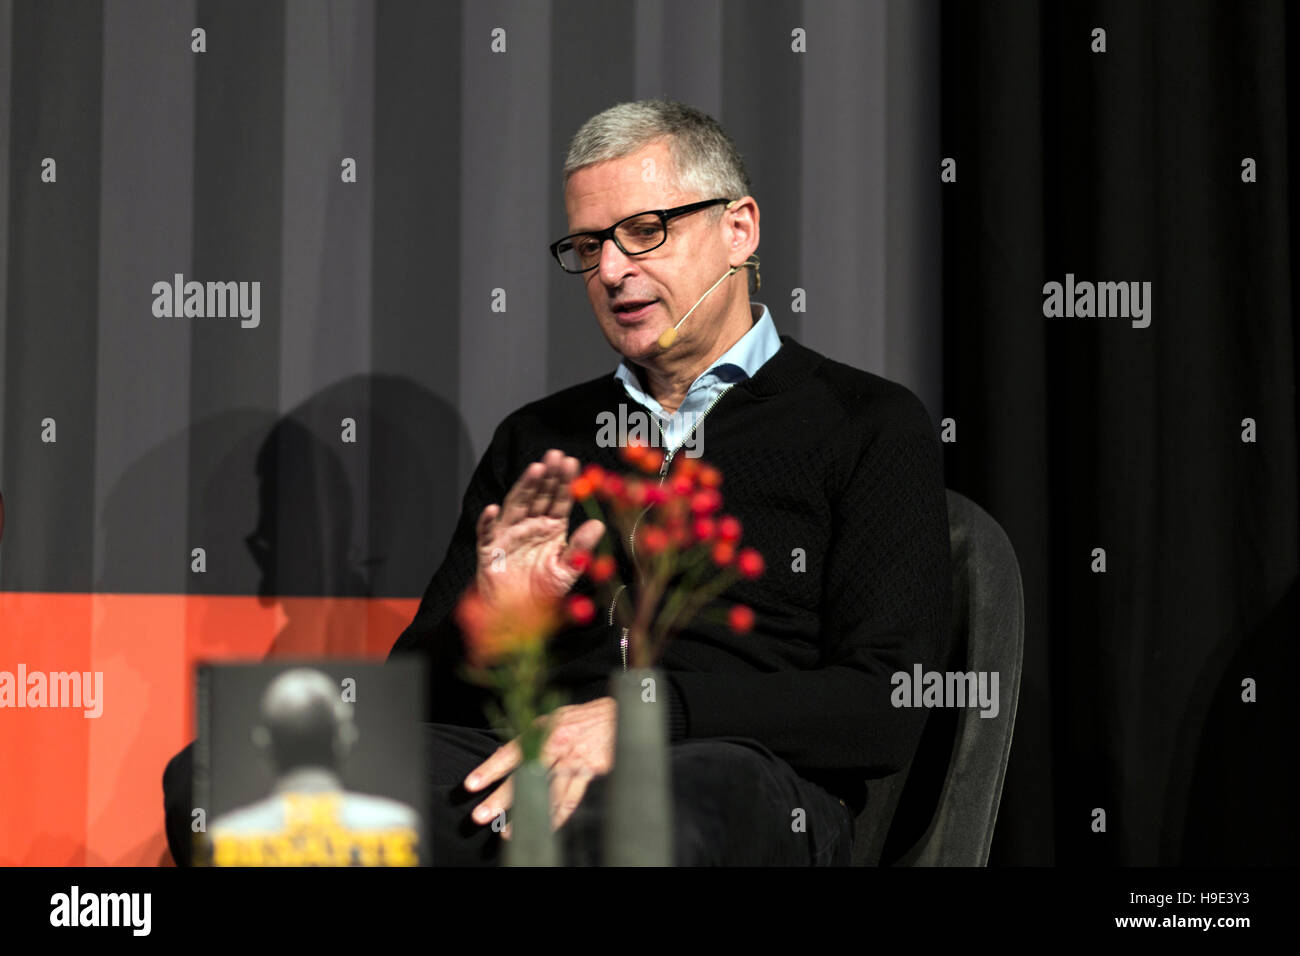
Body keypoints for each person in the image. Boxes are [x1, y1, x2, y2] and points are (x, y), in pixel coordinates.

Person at [388, 99, 953, 866]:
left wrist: (647, 717)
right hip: (528, 773)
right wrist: (493, 618)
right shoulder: (541, 440)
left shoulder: (865, 423)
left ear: (739, 231)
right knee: (239, 784)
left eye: (645, 231)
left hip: (741, 780)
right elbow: (411, 706)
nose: (613, 270)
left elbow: (887, 701)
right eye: (589, 246)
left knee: (649, 823)